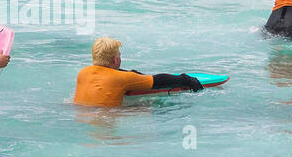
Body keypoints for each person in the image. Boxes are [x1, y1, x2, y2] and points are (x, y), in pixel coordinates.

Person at [73, 36, 203, 107]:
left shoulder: (83, 73)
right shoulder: (123, 78)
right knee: (149, 106)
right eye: (119, 55)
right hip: (106, 121)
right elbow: (159, 80)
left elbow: (113, 75)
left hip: (79, 113)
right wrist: (187, 80)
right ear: (114, 59)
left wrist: (133, 75)